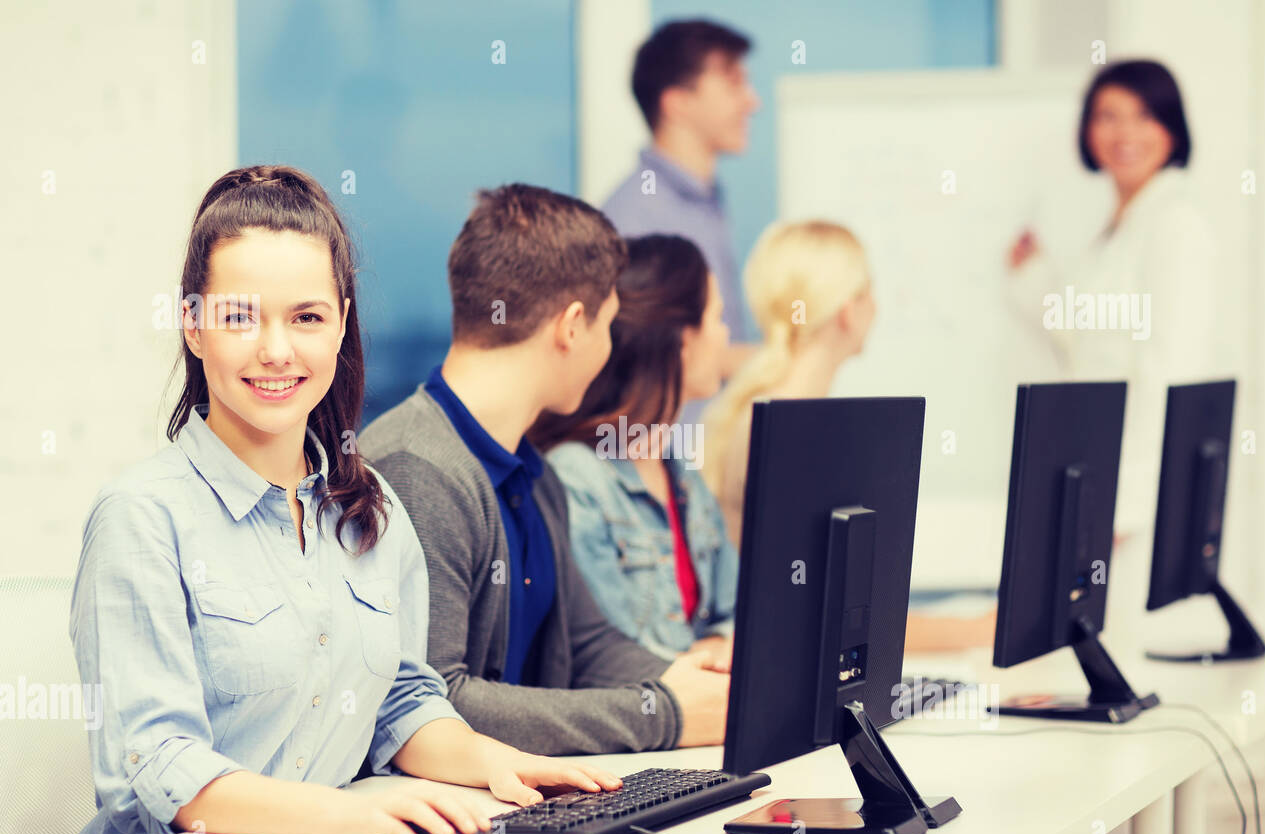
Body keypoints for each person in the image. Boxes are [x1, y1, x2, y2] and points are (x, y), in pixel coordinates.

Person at [64, 167, 620, 834]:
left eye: (307, 317)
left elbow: (399, 705)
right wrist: (351, 815)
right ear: (193, 326)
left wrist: (499, 764)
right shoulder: (141, 519)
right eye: (240, 316)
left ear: (341, 327)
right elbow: (159, 767)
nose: (276, 350)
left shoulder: (373, 510)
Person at [359, 185, 729, 756]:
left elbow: (588, 646)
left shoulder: (534, 474)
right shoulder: (418, 469)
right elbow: (435, 705)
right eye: (607, 326)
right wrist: (664, 716)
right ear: (572, 326)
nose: (609, 349)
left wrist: (693, 685)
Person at [703, 219, 996, 653]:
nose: (876, 306)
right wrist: (976, 631)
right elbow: (827, 617)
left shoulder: (777, 414)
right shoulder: (789, 430)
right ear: (847, 310)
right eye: (868, 291)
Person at [1006, 59, 1217, 542]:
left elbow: (1171, 371)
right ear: (1087, 131)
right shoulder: (1115, 231)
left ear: (1172, 128)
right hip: (1097, 475)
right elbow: (1086, 341)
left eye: (1144, 115)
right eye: (1108, 116)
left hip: (1136, 504)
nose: (1126, 133)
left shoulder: (1176, 227)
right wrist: (1033, 274)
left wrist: (1126, 508)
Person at [532, 235, 736, 660]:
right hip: (653, 717)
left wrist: (716, 649)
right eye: (717, 318)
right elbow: (610, 660)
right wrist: (707, 661)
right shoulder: (577, 479)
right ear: (682, 339)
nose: (726, 336)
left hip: (707, 709)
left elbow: (734, 612)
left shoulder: (680, 471)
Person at [601, 18, 760, 385]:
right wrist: (784, 357)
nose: (752, 100)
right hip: (670, 440)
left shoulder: (704, 203)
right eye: (734, 84)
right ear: (677, 104)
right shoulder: (635, 218)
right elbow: (653, 356)